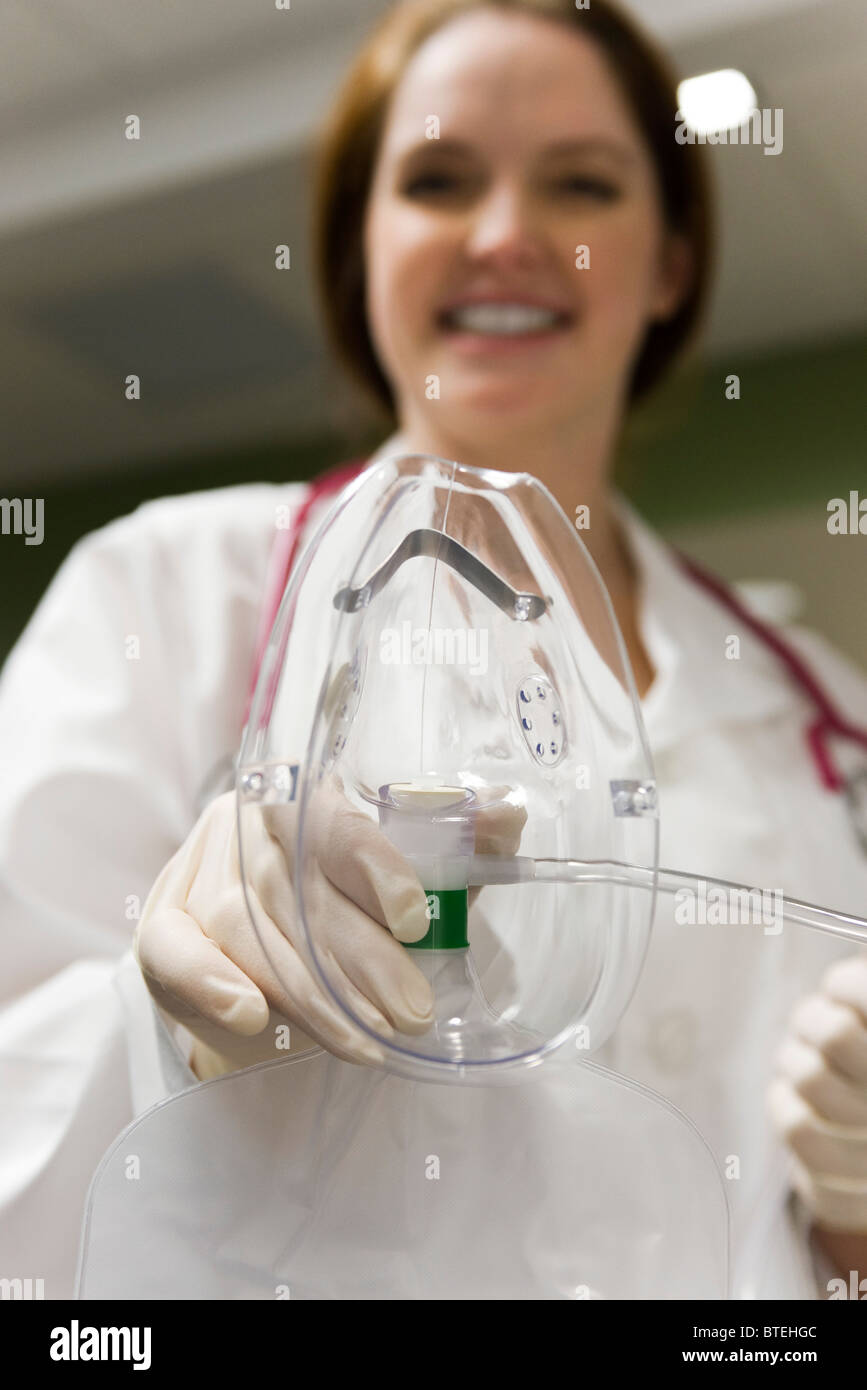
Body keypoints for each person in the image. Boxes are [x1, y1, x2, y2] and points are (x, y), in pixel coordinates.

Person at [1, 0, 865, 1299]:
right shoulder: (169, 594)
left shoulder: (831, 717)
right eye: (437, 180)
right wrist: (173, 1033)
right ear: (363, 249)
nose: (506, 234)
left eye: (581, 182)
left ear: (671, 264)